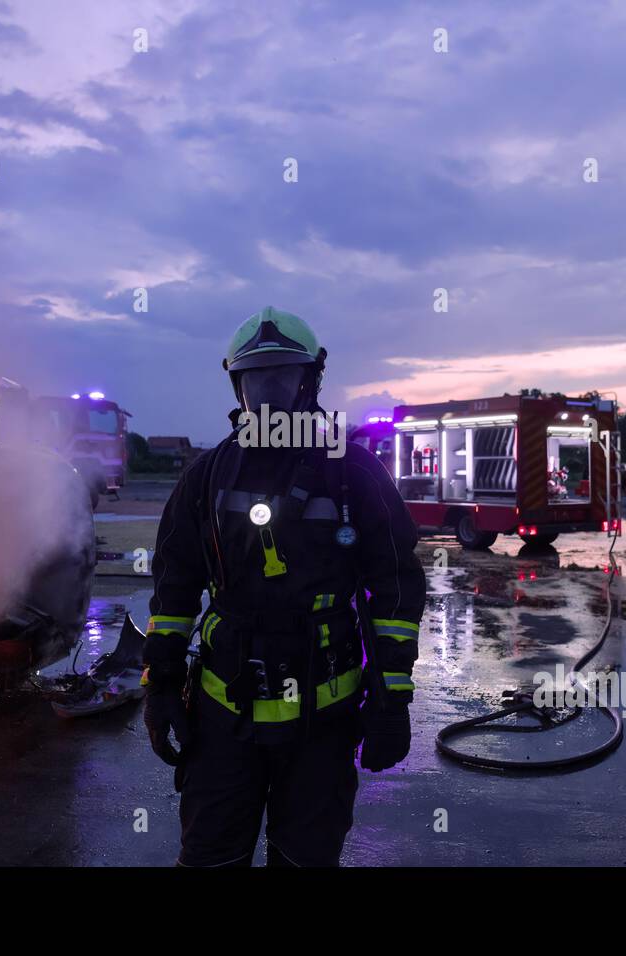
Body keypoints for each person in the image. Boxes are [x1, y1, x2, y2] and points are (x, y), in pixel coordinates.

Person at [141, 306, 426, 867]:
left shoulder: (355, 473)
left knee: (306, 861)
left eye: (282, 378)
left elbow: (394, 589)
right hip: (223, 718)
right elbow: (173, 588)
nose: (268, 396)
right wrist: (161, 686)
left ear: (310, 381)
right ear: (237, 386)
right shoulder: (207, 476)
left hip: (324, 722)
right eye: (256, 381)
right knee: (209, 858)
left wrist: (392, 699)